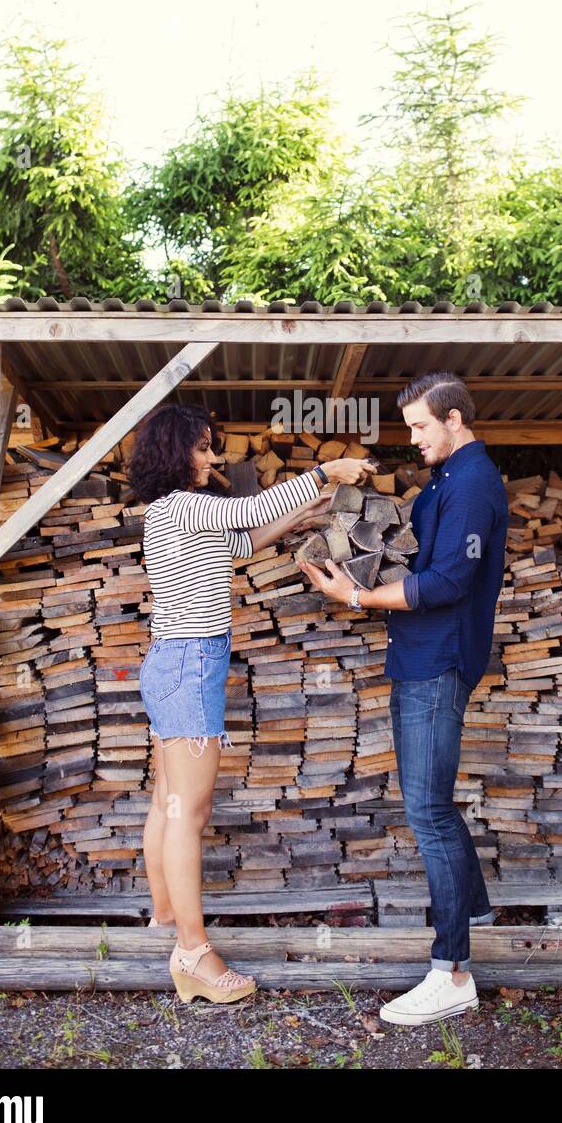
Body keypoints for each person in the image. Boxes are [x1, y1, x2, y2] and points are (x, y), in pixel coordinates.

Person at [128, 402, 376, 1005]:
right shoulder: (187, 504)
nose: (213, 457)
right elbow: (247, 510)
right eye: (204, 446)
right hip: (190, 665)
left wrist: (300, 516)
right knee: (190, 807)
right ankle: (193, 953)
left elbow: (238, 544)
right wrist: (326, 473)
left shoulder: (172, 513)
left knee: (169, 800)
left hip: (176, 661)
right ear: (176, 450)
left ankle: (166, 920)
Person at [298, 372, 509, 1026]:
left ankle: (451, 971)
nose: (413, 438)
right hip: (416, 656)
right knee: (434, 807)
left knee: (428, 814)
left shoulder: (473, 482)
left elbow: (446, 581)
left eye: (420, 425)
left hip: (439, 661)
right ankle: (471, 913)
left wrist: (355, 598)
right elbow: (412, 556)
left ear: (453, 418)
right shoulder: (446, 480)